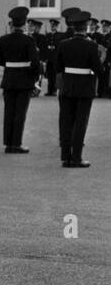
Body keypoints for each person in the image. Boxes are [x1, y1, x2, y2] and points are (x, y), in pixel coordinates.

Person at [55, 9, 98, 167]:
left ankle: (65, 157)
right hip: (84, 88)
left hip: (67, 86)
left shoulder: (63, 44)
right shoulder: (92, 46)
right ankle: (77, 157)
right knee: (80, 123)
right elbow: (98, 69)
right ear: (86, 26)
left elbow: (58, 67)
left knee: (66, 122)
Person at [0, 6, 39, 152]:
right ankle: (16, 143)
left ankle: (8, 143)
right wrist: (35, 79)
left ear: (12, 24)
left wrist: (10, 65)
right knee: (20, 113)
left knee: (9, 112)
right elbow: (35, 63)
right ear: (24, 23)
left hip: (8, 78)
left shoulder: (3, 39)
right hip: (24, 80)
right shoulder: (29, 40)